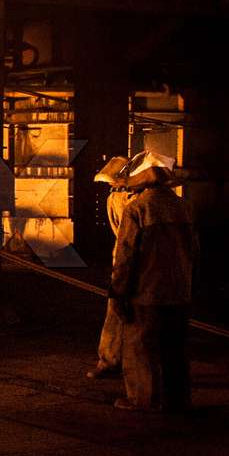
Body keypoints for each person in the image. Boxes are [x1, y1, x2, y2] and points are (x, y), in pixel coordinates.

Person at [109, 151, 196, 412]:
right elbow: (195, 251)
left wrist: (118, 290)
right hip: (179, 290)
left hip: (146, 290)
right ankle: (178, 399)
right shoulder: (183, 207)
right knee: (175, 349)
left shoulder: (137, 208)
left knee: (141, 347)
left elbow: (126, 254)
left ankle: (142, 399)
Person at [88, 156, 132, 381]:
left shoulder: (136, 200)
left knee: (123, 312)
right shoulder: (115, 198)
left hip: (132, 262)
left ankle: (116, 360)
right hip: (125, 260)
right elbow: (119, 232)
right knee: (116, 311)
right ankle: (110, 359)